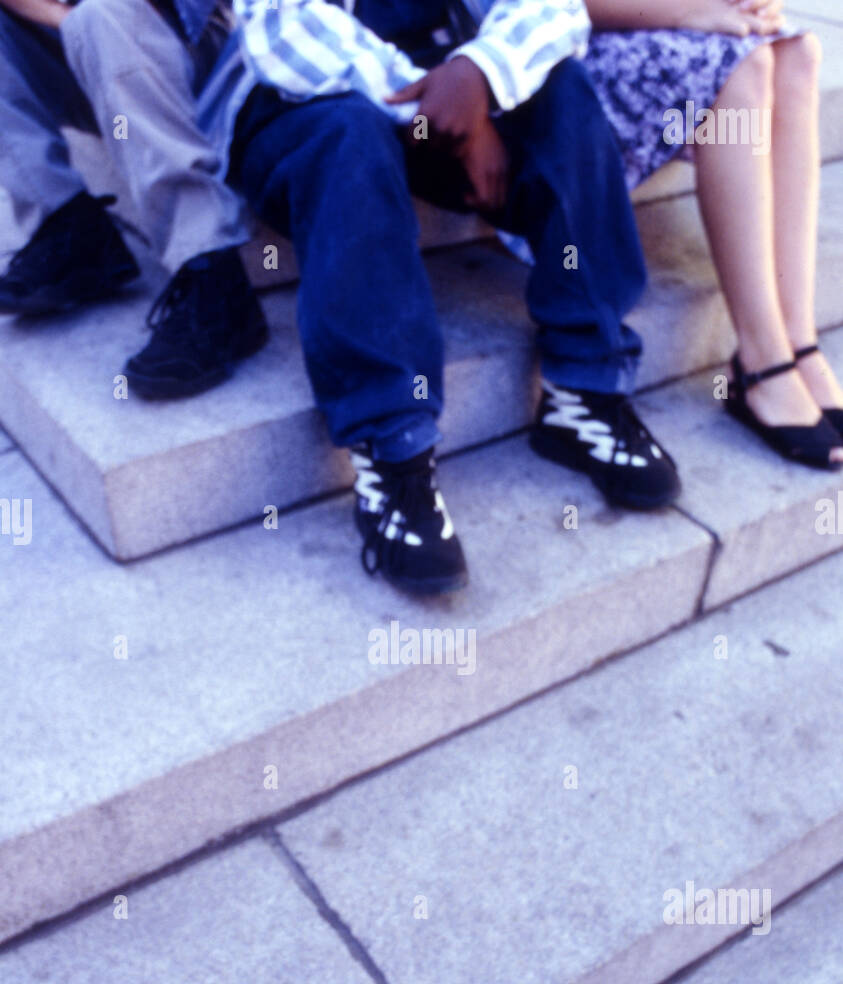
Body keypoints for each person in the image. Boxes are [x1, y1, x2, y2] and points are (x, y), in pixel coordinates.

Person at [194, 0, 682, 594]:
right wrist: (449, 109)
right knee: (349, 133)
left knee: (563, 87)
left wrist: (479, 73)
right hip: (290, 100)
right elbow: (289, 31)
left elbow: (552, 8)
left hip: (438, 82)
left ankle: (585, 389)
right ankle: (391, 446)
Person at [583, 0, 843, 468]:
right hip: (552, 52)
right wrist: (687, 13)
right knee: (744, 64)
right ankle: (761, 362)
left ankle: (796, 339)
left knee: (797, 51)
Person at [0, 0, 267, 398]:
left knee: (104, 15)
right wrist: (64, 20)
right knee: (95, 19)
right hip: (93, 48)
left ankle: (213, 274)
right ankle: (70, 226)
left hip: (204, 49)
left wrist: (77, 21)